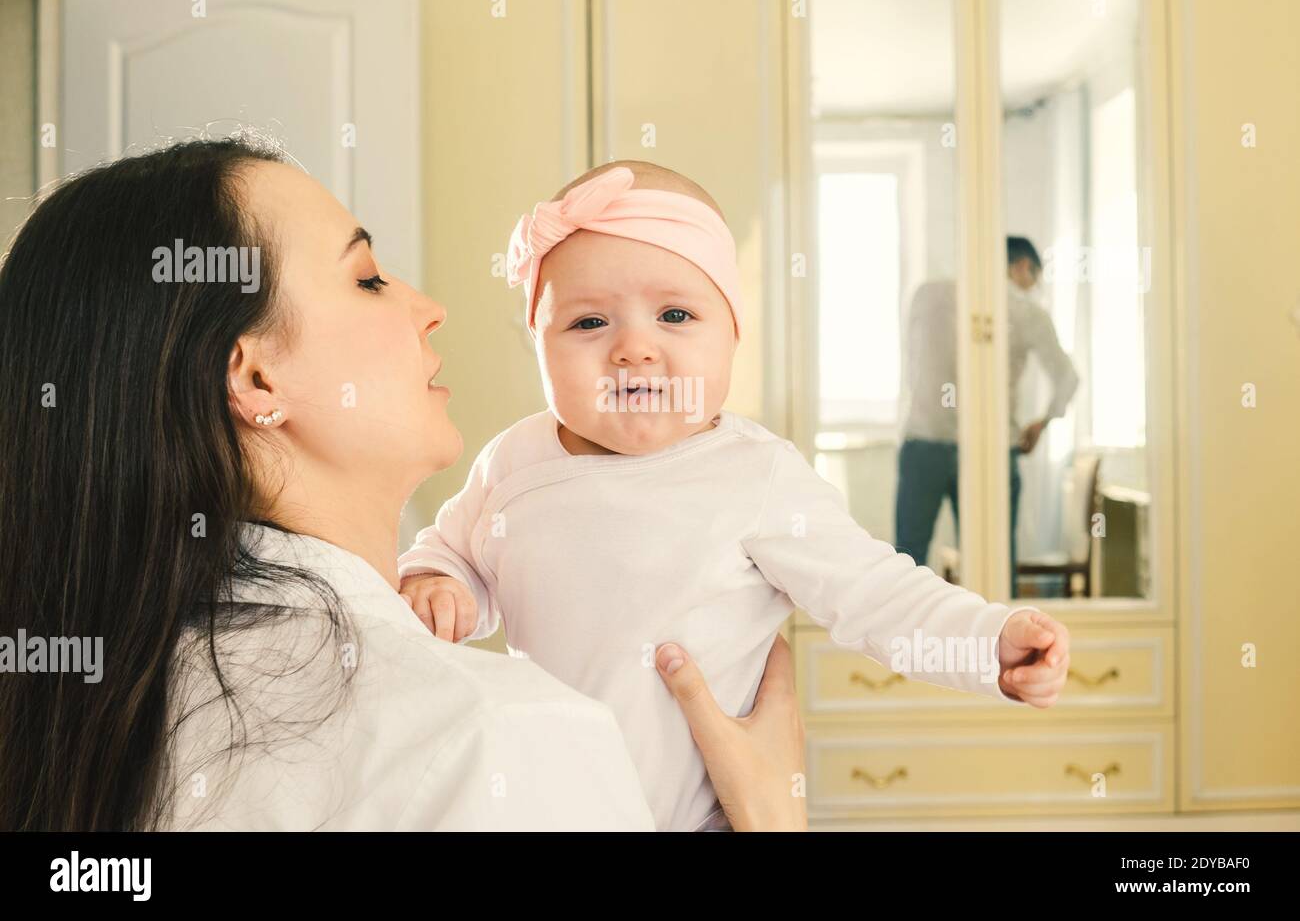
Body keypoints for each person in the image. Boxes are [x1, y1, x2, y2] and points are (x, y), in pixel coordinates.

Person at [0, 138, 805, 831]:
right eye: (369, 279)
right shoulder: (497, 738)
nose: (431, 309)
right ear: (253, 377)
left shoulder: (90, 704)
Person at [398, 163, 1072, 831]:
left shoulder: (755, 475)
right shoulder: (513, 462)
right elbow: (453, 552)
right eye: (588, 323)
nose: (634, 349)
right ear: (537, 343)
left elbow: (880, 596)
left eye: (674, 314)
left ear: (732, 335)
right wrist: (439, 583)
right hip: (548, 805)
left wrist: (985, 647)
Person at [895, 236, 1079, 596]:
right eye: (1035, 280)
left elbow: (912, 367)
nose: (1034, 289)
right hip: (989, 451)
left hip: (923, 443)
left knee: (907, 561)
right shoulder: (1025, 313)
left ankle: (907, 649)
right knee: (994, 569)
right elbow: (1067, 377)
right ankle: (998, 649)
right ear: (1022, 268)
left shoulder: (928, 295)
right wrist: (1043, 423)